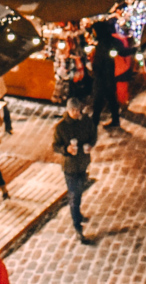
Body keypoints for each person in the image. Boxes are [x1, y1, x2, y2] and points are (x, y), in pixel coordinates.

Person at [52, 98, 97, 245]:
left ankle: (77, 215)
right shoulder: (61, 127)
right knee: (74, 197)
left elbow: (93, 135)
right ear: (68, 110)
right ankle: (78, 227)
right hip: (70, 167)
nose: (76, 113)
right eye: (73, 111)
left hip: (82, 164)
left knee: (79, 191)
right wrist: (66, 150)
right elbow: (55, 146)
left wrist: (90, 144)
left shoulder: (86, 122)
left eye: (78, 110)